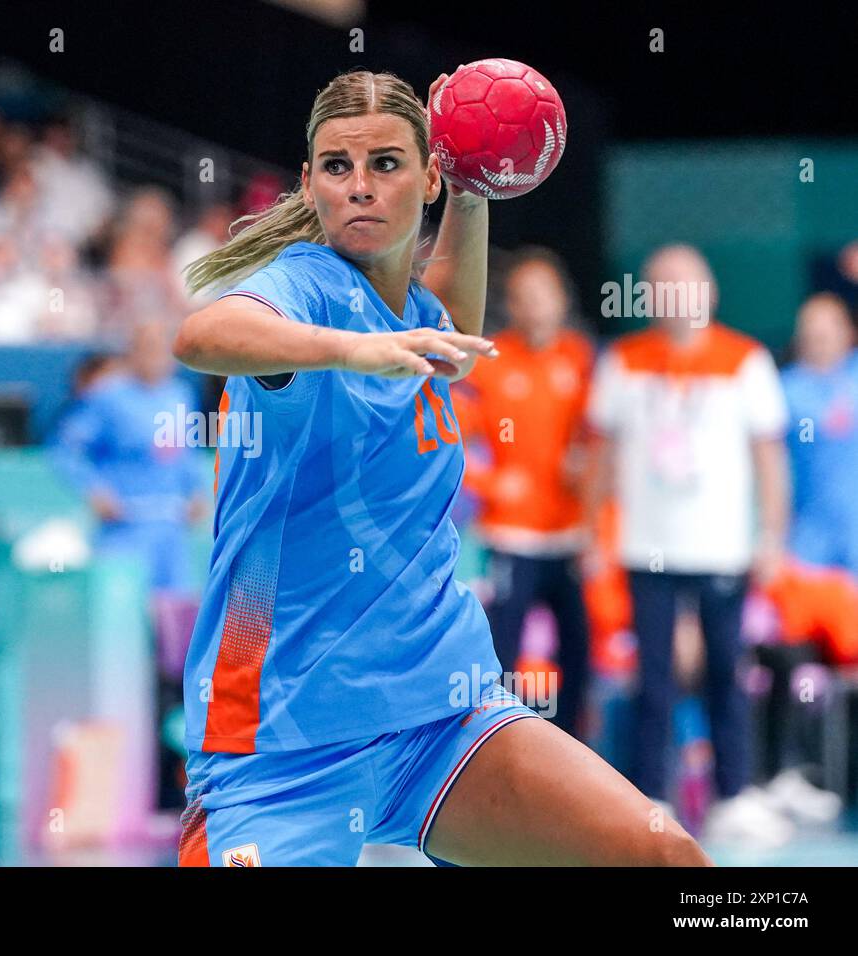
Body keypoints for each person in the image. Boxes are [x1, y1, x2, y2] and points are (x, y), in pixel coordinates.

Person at [171, 69, 708, 866]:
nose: (359, 186)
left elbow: (448, 315)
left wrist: (475, 184)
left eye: (386, 164)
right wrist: (354, 351)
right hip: (282, 742)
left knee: (665, 858)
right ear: (311, 182)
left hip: (441, 716)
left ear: (426, 178)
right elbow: (206, 334)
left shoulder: (418, 314)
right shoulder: (303, 289)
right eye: (336, 166)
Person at [586, 243, 792, 847]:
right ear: (647, 296)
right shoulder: (623, 361)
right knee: (650, 678)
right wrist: (589, 529)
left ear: (709, 293)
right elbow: (602, 454)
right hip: (645, 546)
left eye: (687, 284)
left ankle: (735, 794)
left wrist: (771, 537)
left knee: (728, 672)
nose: (676, 297)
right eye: (662, 285)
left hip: (724, 548)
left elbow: (770, 458)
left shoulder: (746, 360)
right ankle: (649, 794)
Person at [452, 248, 595, 740]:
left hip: (570, 535)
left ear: (561, 299)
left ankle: (574, 749)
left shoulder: (582, 360)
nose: (534, 306)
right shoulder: (488, 362)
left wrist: (588, 469)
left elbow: (605, 437)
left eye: (543, 295)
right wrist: (493, 484)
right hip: (511, 536)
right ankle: (500, 746)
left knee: (579, 649)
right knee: (502, 650)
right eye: (523, 297)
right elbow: (451, 442)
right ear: (510, 303)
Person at [51, 321, 208, 595]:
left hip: (172, 531)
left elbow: (185, 453)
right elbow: (66, 448)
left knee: (175, 616)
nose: (157, 358)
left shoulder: (180, 395)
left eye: (163, 349)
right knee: (123, 611)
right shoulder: (107, 396)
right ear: (132, 352)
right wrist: (94, 489)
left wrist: (197, 490)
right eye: (149, 349)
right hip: (125, 529)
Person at [781, 292, 858, 575]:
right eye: (811, 334)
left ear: (848, 332)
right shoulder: (785, 390)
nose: (819, 341)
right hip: (808, 535)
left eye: (826, 333)